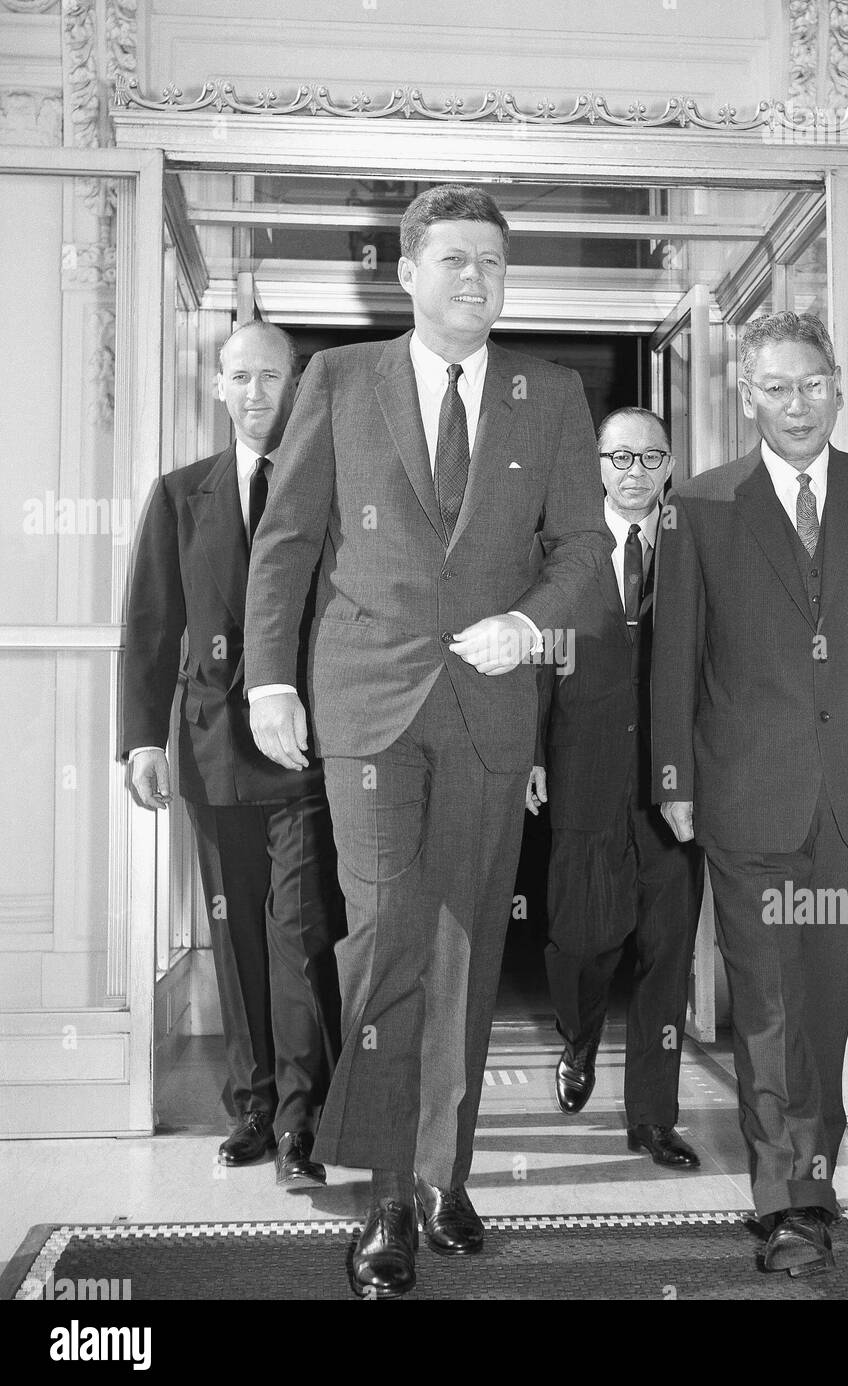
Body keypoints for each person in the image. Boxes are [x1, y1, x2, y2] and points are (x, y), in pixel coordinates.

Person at [244, 185, 611, 1299]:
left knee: (462, 951)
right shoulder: (338, 380)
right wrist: (267, 676)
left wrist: (529, 623)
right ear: (405, 272)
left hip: (491, 709)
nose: (474, 279)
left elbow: (587, 553)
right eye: (452, 259)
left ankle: (445, 1171)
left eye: (492, 263)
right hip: (367, 707)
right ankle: (391, 1193)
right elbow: (288, 537)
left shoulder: (547, 394)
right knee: (387, 935)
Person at [651, 311, 848, 1277]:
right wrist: (674, 777)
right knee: (767, 1001)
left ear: (839, 384)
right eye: (775, 389)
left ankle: (808, 1168)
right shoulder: (700, 508)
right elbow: (676, 660)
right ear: (745, 395)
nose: (797, 406)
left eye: (812, 385)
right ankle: (793, 1199)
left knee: (825, 999)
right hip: (745, 798)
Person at [122, 322, 345, 1191]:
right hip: (215, 752)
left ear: (296, 389)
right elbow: (151, 627)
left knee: (300, 932)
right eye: (240, 378)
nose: (256, 394)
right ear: (217, 387)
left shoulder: (327, 488)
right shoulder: (179, 495)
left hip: (304, 751)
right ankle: (251, 1106)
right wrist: (143, 739)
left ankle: (303, 1114)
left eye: (272, 378)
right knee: (234, 932)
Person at [530, 407, 703, 1166]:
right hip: (580, 774)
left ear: (669, 466)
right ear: (597, 464)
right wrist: (532, 752)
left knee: (666, 954)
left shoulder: (696, 548)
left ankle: (653, 1118)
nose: (635, 473)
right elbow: (530, 654)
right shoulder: (552, 550)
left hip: (676, 786)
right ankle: (578, 1036)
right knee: (580, 944)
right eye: (619, 457)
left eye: (650, 458)